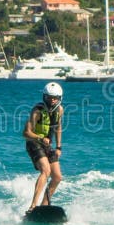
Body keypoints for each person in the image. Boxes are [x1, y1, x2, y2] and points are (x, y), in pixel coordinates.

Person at [23, 81, 64, 213]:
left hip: (47, 145)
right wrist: (40, 138)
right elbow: (26, 133)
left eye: (55, 98)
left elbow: (58, 128)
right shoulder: (37, 110)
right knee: (46, 171)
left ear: (59, 98)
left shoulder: (60, 110)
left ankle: (44, 205)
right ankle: (33, 206)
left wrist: (58, 147)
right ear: (44, 97)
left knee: (57, 177)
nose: (52, 100)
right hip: (33, 143)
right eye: (49, 97)